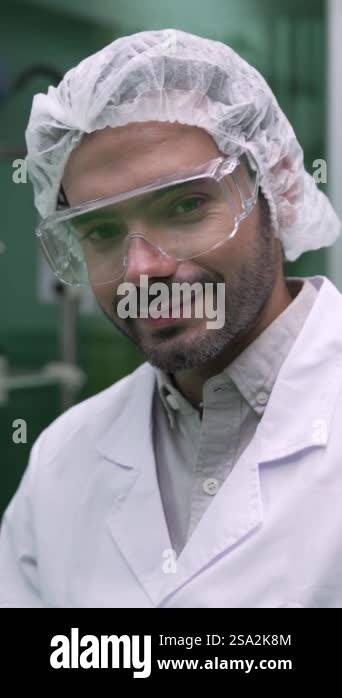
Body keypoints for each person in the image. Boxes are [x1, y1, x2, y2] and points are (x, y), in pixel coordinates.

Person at [0, 28, 342, 608]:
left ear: (277, 185)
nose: (141, 271)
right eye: (102, 231)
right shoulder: (62, 461)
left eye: (185, 205)